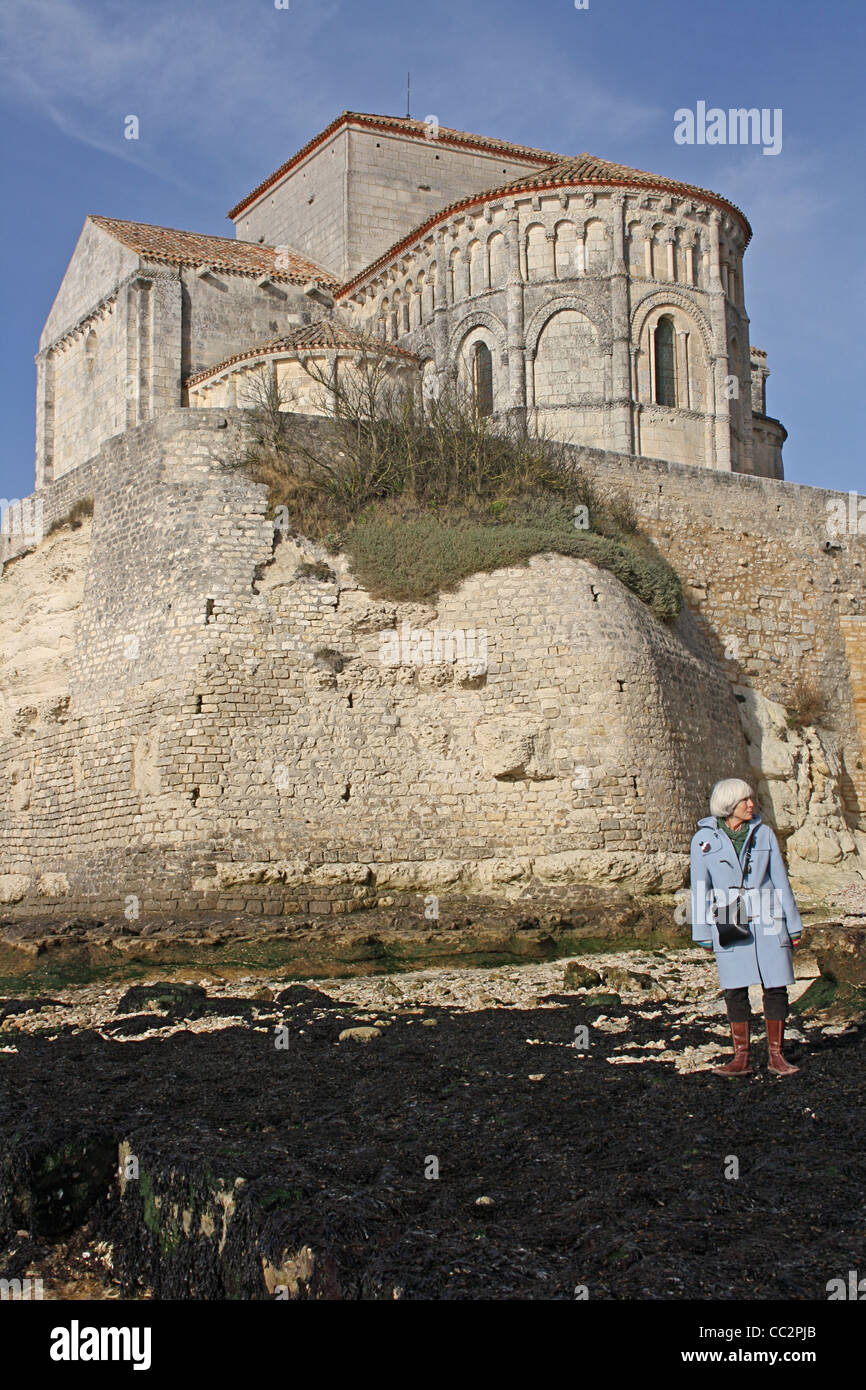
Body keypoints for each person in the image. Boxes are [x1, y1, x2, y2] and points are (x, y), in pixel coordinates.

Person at [690, 778, 802, 1077]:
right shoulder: (704, 839)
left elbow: (780, 880)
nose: (751, 804)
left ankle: (776, 1056)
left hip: (768, 915)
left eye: (751, 799)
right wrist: (701, 931)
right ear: (729, 805)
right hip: (728, 915)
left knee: (775, 986)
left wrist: (793, 926)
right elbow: (700, 887)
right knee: (735, 989)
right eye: (745, 801)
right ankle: (741, 1058)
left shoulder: (764, 834)